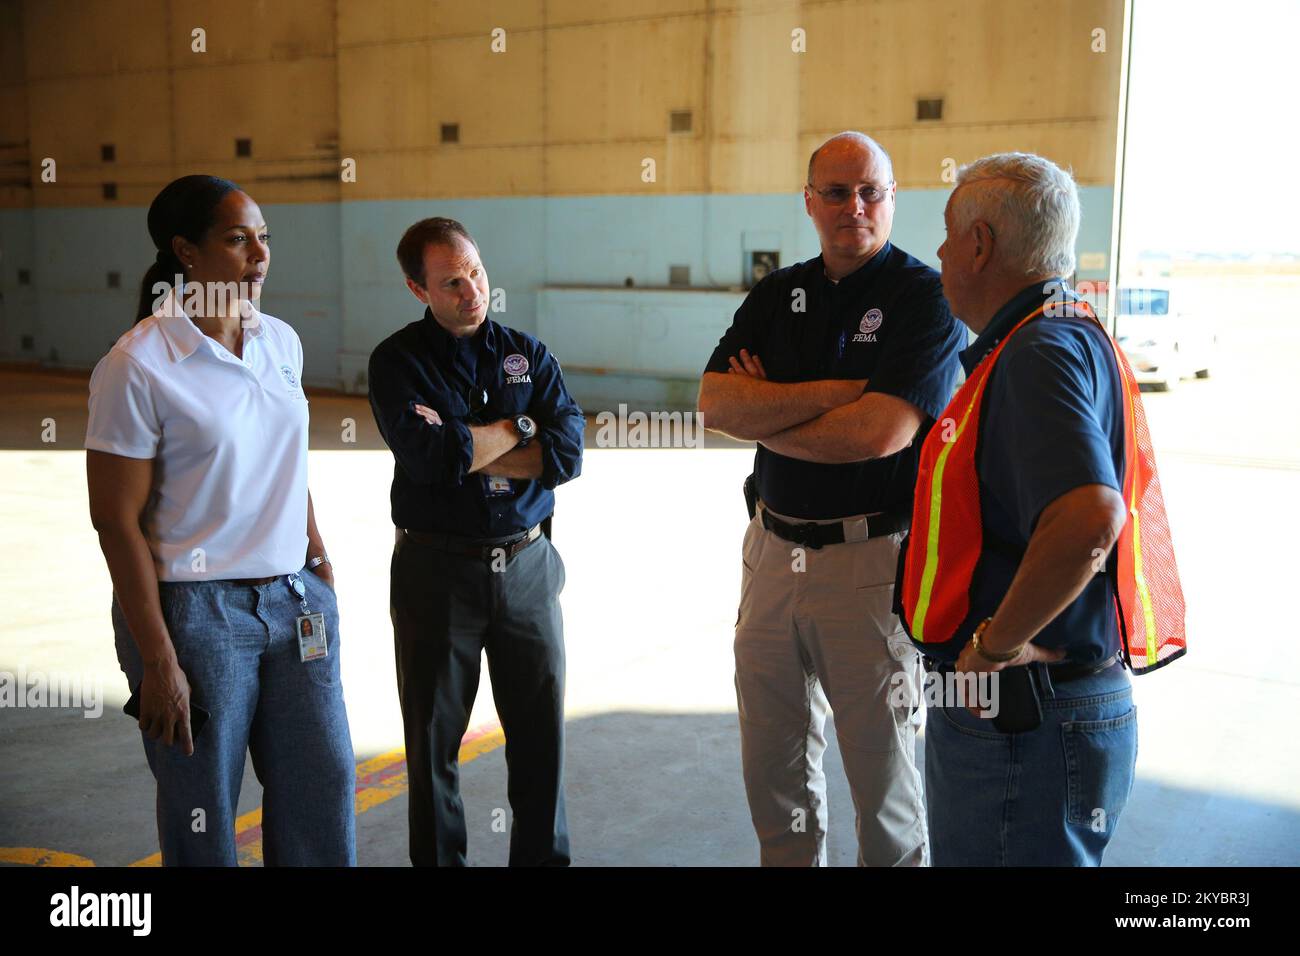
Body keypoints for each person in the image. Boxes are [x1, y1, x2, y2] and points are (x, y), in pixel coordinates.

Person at [898, 151, 1186, 865]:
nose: (936, 253)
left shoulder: (1037, 352)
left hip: (1024, 716)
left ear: (979, 244)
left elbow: (1090, 516)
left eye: (944, 233)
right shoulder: (1066, 330)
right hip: (1053, 707)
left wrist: (990, 649)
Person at [698, 132, 965, 866]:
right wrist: (836, 395)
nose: (856, 206)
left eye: (871, 190)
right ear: (809, 202)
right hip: (771, 555)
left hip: (869, 563)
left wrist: (771, 406)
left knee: (884, 788)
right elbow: (716, 403)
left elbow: (879, 434)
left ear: (893, 199)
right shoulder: (779, 294)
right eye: (838, 191)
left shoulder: (923, 299)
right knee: (774, 776)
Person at [85, 174, 356, 866]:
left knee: (322, 784)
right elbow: (116, 521)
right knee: (202, 808)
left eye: (263, 238)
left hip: (294, 601)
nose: (259, 254)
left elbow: (284, 459)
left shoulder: (281, 343)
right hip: (195, 616)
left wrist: (316, 554)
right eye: (238, 239)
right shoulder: (138, 364)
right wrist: (157, 660)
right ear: (186, 250)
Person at [368, 217, 584, 867]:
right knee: (433, 745)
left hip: (528, 566)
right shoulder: (397, 363)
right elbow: (431, 459)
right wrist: (524, 430)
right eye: (451, 282)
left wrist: (471, 441)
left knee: (541, 739)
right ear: (418, 288)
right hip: (437, 573)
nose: (472, 291)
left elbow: (567, 454)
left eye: (477, 272)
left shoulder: (527, 352)